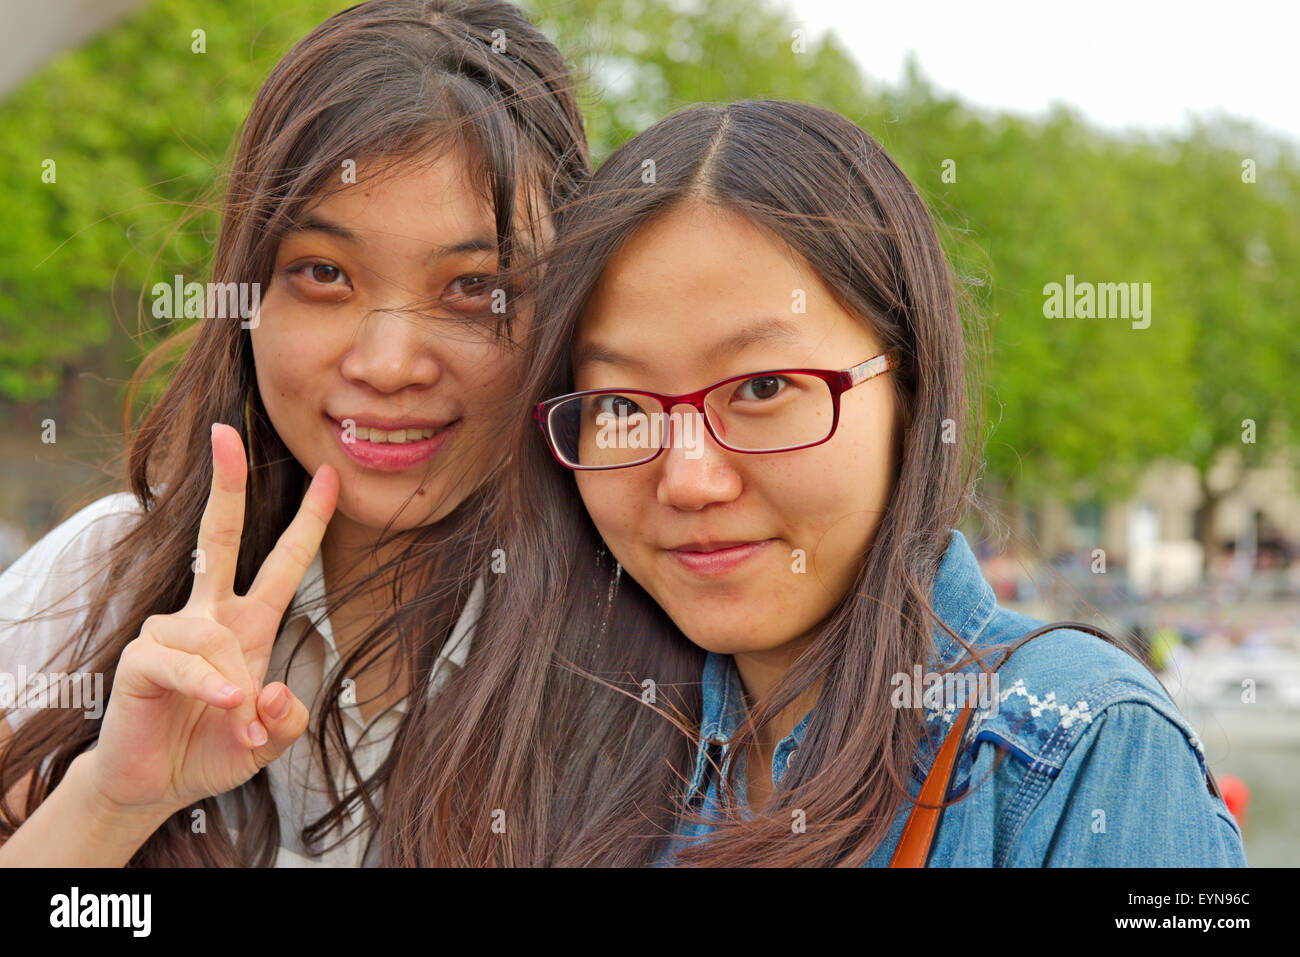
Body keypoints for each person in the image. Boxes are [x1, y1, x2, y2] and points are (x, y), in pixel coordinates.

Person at [428, 99, 1248, 866]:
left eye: (760, 388)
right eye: (620, 403)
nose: (688, 478)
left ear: (909, 388)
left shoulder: (1077, 748)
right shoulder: (568, 750)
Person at [0, 0, 589, 867]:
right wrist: (108, 804)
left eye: (474, 286)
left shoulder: (643, 640)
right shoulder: (98, 579)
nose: (389, 364)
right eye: (323, 273)